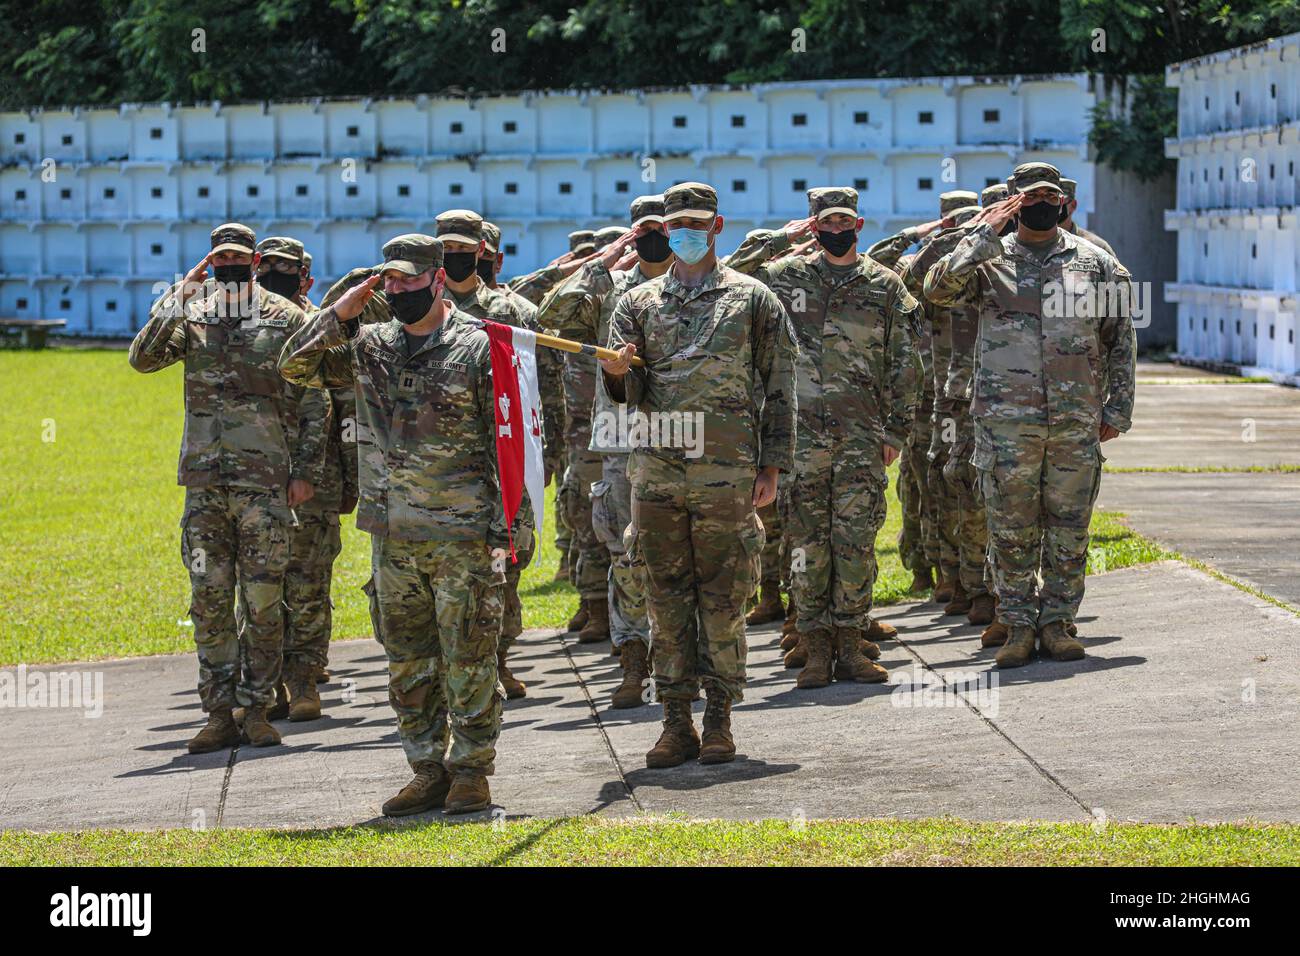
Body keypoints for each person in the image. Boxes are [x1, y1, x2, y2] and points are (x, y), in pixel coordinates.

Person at [279, 233, 507, 815]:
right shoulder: (371, 344)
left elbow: (507, 443)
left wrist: (513, 526)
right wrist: (339, 311)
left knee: (469, 658)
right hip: (394, 532)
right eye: (391, 280)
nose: (400, 288)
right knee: (408, 661)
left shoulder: (478, 346)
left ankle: (472, 771)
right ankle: (426, 767)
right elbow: (293, 366)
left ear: (437, 278)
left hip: (462, 531)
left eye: (410, 279)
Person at [600, 182, 796, 767]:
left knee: (724, 595)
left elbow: (781, 386)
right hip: (658, 477)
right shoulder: (637, 303)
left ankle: (719, 716)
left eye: (695, 222)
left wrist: (773, 464)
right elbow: (627, 393)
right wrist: (616, 373)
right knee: (665, 598)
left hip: (726, 472)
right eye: (673, 223)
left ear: (717, 226)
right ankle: (674, 719)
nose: (683, 232)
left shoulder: (753, 299)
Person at [925, 162, 1137, 668]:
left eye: (1050, 194)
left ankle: (1059, 622)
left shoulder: (1095, 263)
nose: (1043, 201)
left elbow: (1119, 339)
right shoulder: (986, 260)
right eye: (1031, 194)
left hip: (1074, 421)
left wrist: (1118, 408)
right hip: (1005, 422)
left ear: (1063, 201)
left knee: (1069, 526)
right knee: (1010, 525)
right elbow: (934, 288)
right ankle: (1018, 625)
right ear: (1014, 201)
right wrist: (982, 233)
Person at [128, 223, 323, 753]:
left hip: (264, 484)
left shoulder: (286, 319)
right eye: (220, 259)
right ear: (209, 263)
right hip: (205, 484)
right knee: (209, 600)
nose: (229, 266)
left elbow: (313, 401)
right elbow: (142, 359)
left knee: (262, 601)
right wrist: (176, 298)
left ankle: (257, 708)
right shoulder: (193, 315)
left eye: (238, 258)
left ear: (256, 261)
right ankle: (219, 713)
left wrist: (304, 472)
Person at [732, 187, 918, 687]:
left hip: (861, 439)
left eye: (845, 223)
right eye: (826, 224)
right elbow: (730, 277)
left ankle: (852, 644)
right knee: (806, 547)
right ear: (812, 227)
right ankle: (814, 647)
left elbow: (906, 364)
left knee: (854, 545)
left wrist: (896, 429)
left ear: (859, 227)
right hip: (800, 441)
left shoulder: (886, 285)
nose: (836, 231)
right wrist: (778, 238)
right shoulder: (781, 278)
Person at [540, 195, 673, 707]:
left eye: (664, 228)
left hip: (682, 437)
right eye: (644, 230)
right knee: (624, 556)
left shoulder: (701, 287)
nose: (655, 238)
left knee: (678, 557)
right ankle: (632, 664)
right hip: (620, 440)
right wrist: (600, 264)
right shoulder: (609, 288)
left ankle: (679, 663)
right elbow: (553, 316)